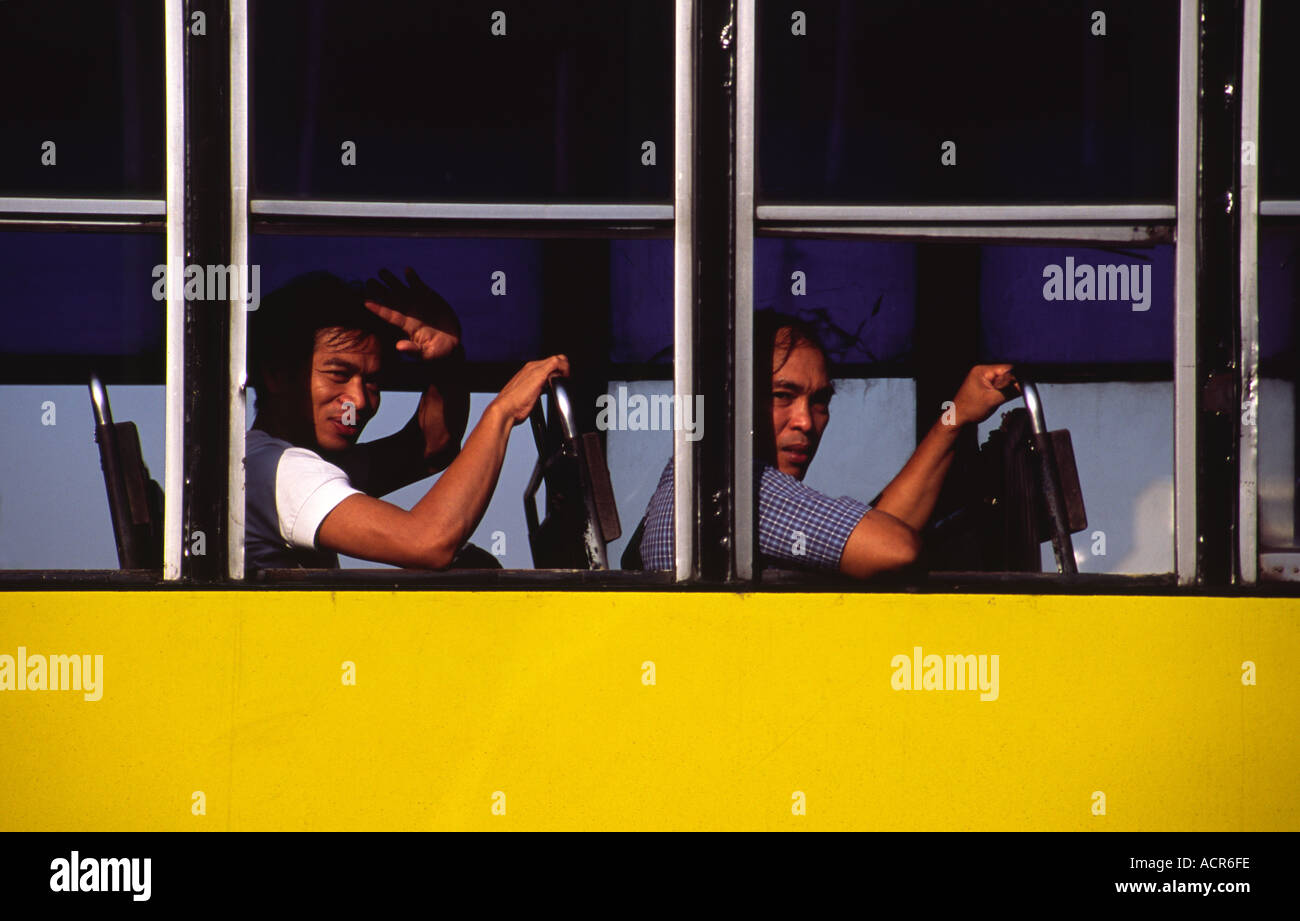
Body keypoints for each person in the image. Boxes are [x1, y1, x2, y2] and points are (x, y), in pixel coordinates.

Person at [634, 310, 1017, 578]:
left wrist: (955, 419)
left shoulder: (693, 480)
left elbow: (878, 537)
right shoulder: (738, 487)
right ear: (732, 401)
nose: (805, 421)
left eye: (819, 401)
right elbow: (896, 548)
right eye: (782, 395)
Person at [245, 268, 567, 571]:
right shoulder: (277, 470)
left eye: (372, 381)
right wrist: (502, 412)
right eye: (338, 375)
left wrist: (447, 361)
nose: (359, 400)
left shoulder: (298, 461)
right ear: (276, 375)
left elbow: (431, 449)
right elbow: (428, 542)